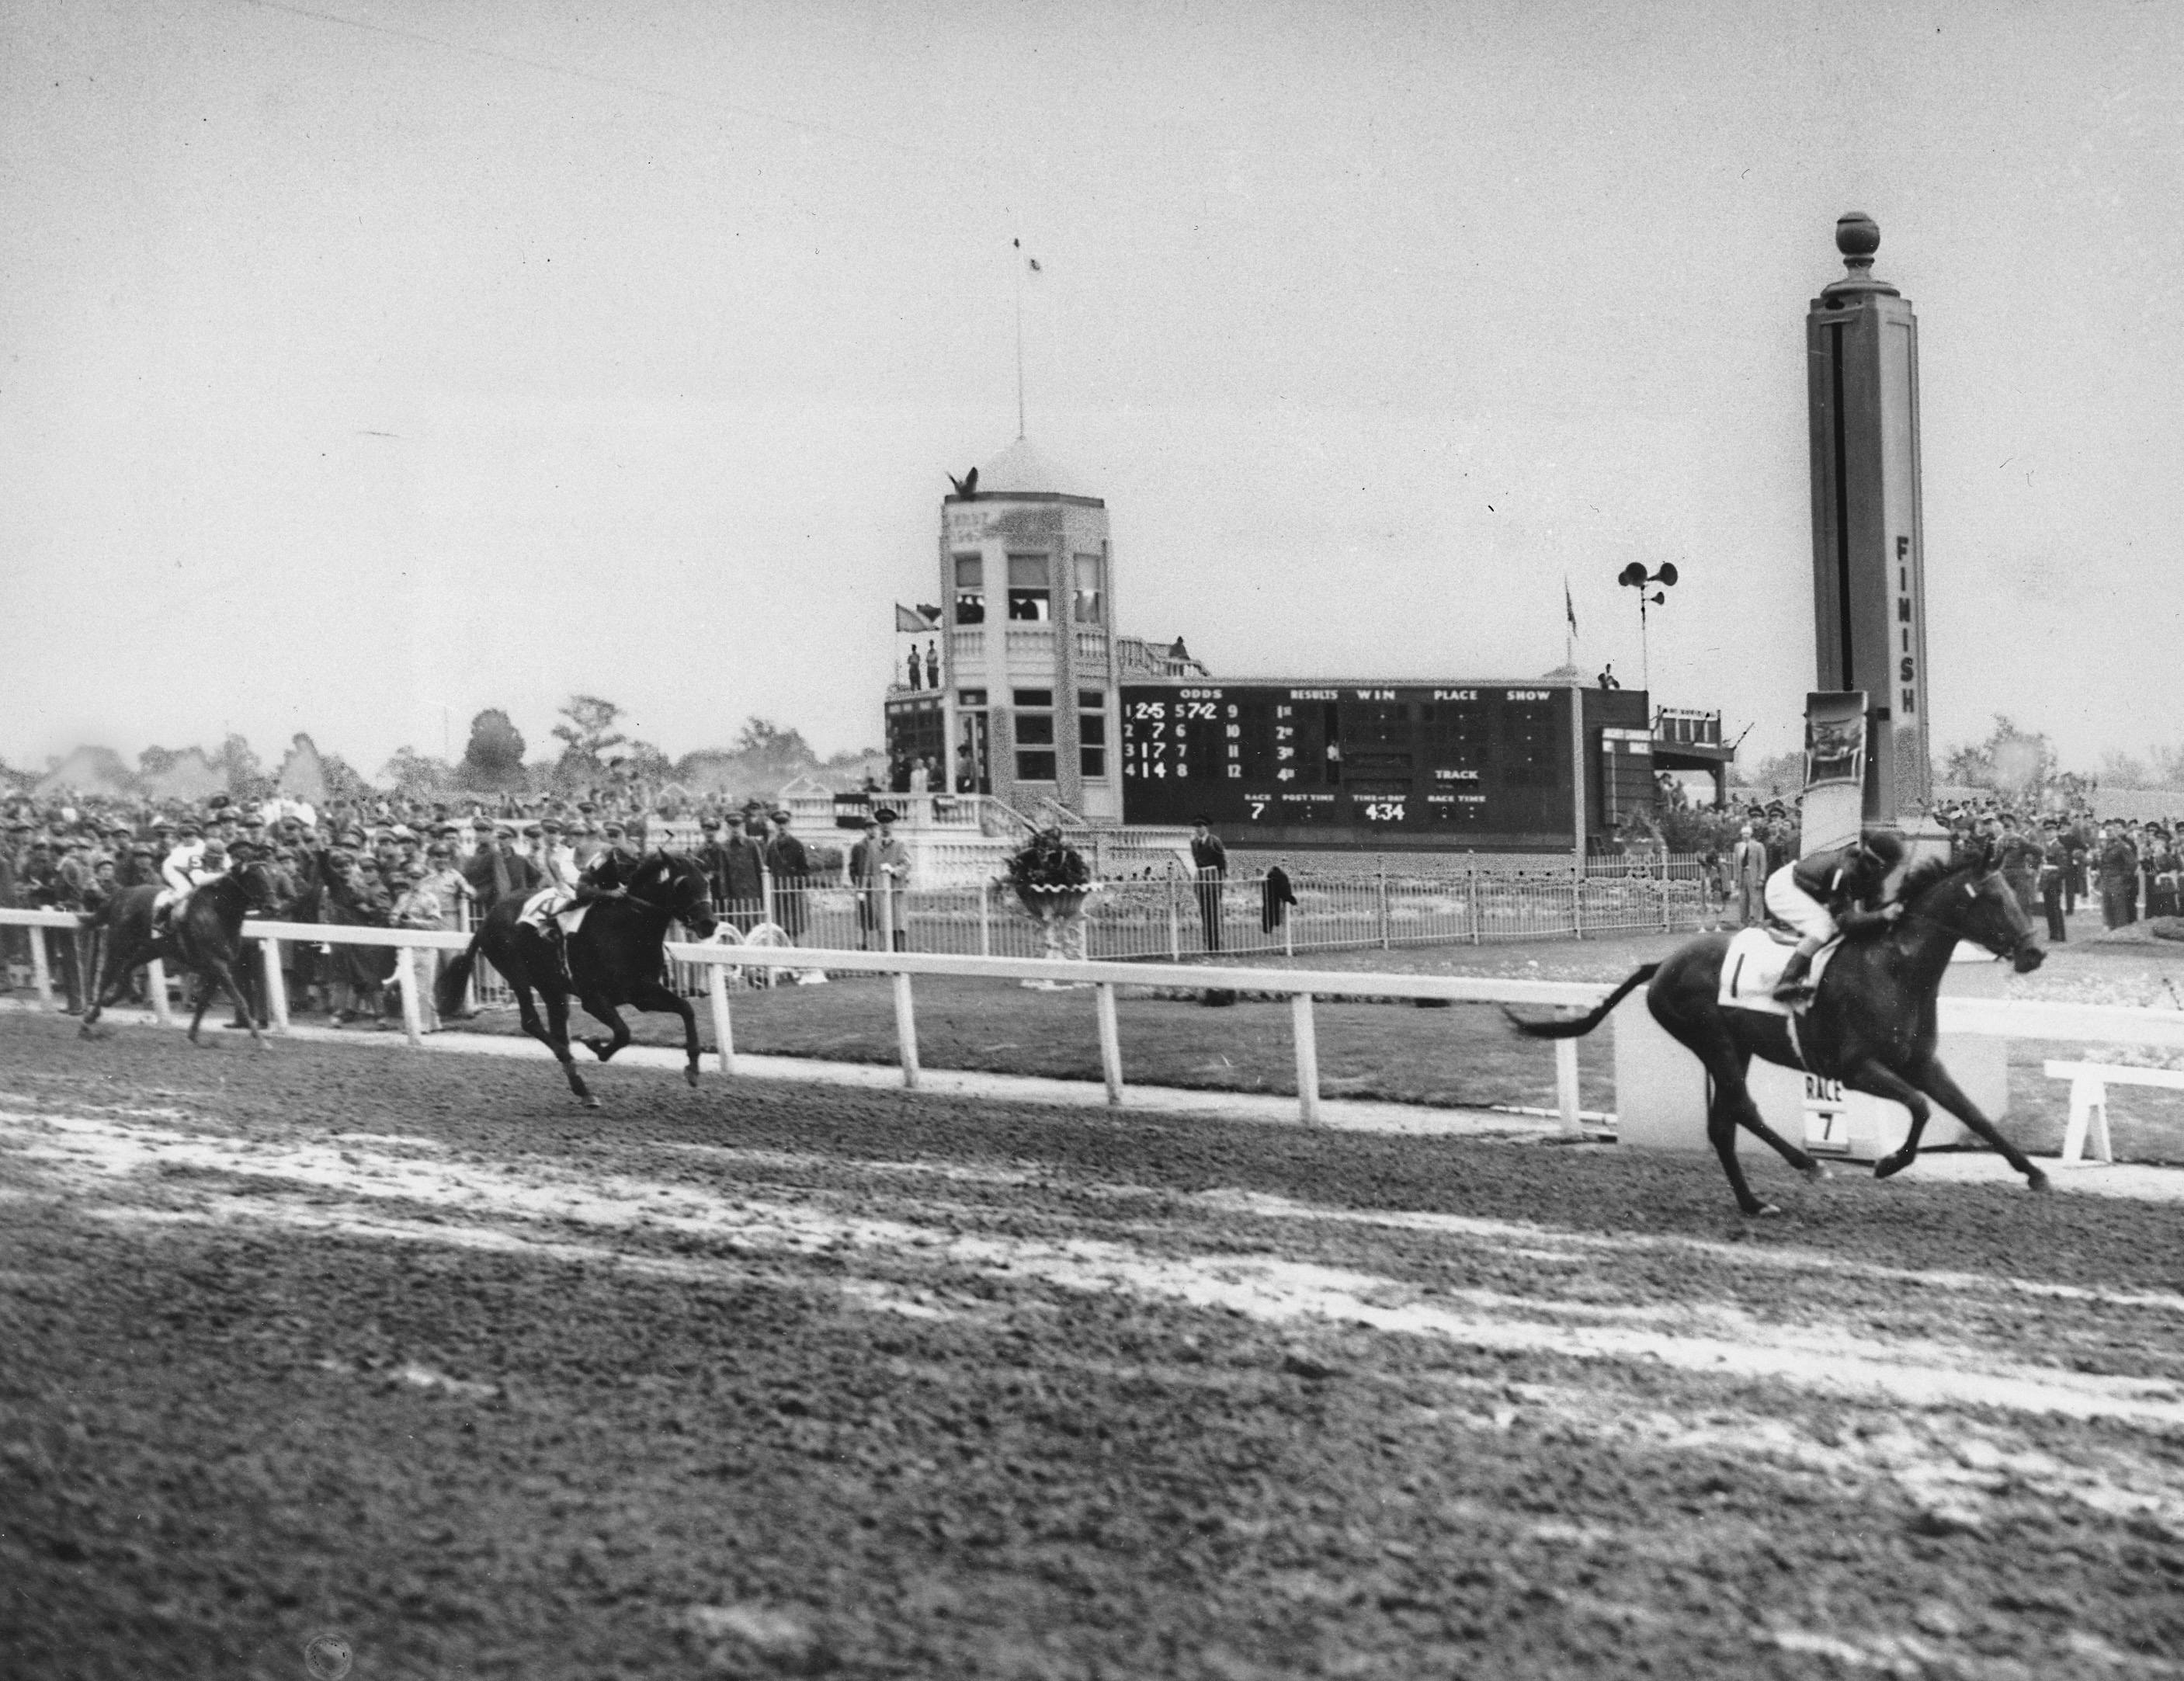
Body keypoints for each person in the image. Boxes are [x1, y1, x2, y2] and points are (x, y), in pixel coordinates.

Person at [1765, 830, 1907, 1001]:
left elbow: (1872, 914)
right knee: (1823, 928)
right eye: (1891, 867)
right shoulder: (1844, 872)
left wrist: (1892, 910)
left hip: (1811, 889)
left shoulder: (1872, 872)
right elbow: (1845, 922)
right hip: (1784, 888)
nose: (1891, 873)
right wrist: (1884, 914)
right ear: (1876, 863)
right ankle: (1787, 981)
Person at [863, 808, 911, 952]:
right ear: (879, 825)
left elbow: (907, 863)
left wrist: (894, 871)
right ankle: (885, 958)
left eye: (888, 822)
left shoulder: (900, 844)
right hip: (880, 891)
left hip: (896, 889)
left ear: (893, 824)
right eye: (882, 822)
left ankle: (901, 957)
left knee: (898, 925)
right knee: (883, 926)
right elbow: (867, 869)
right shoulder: (873, 845)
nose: (885, 825)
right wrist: (864, 890)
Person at [765, 808, 809, 941]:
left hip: (792, 892)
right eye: (778, 824)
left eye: (784, 823)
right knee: (780, 927)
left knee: (794, 926)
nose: (781, 827)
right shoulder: (771, 846)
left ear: (788, 825)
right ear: (775, 826)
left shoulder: (796, 845)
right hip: (777, 892)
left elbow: (804, 869)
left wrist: (798, 886)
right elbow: (768, 868)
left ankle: (795, 949)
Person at [1189, 815, 1227, 952]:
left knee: (1214, 911)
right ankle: (1208, 943)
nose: (1199, 829)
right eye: (1197, 827)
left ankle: (1217, 944)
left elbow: (1222, 862)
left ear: (1206, 827)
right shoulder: (1193, 843)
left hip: (1213, 876)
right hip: (1201, 878)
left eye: (1201, 826)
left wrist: (1220, 879)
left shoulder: (1214, 841)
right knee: (1204, 912)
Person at [1728, 824, 1769, 929]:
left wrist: (1761, 878)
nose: (1745, 835)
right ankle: (1744, 922)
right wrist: (1736, 878)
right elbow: (1736, 863)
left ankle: (1758, 922)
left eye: (1747, 833)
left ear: (1751, 834)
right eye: (1743, 834)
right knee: (1743, 900)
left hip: (1754, 876)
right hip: (1742, 875)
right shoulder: (1738, 846)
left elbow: (1763, 863)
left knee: (1756, 900)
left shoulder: (1758, 846)